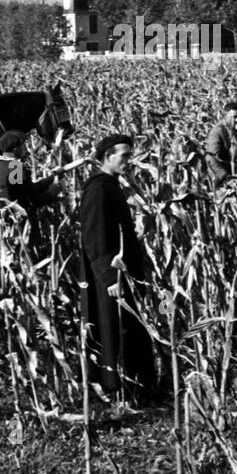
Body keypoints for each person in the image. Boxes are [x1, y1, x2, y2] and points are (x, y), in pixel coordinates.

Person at [80, 133, 156, 404]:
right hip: (111, 275)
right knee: (118, 329)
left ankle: (138, 388)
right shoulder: (99, 189)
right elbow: (96, 237)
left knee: (130, 329)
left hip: (120, 270)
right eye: (124, 156)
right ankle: (124, 389)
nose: (130, 161)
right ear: (106, 157)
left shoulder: (109, 185)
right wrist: (111, 275)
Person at [0, 130, 61, 230]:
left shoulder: (0, 166)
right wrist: (52, 193)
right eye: (23, 146)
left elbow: (25, 191)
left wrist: (52, 177)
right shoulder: (15, 167)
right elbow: (33, 201)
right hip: (21, 225)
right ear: (15, 149)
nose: (25, 149)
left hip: (8, 225)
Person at [205, 102, 237, 187]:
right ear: (226, 115)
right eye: (235, 117)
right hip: (221, 179)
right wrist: (225, 177)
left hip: (235, 175)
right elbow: (211, 158)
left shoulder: (235, 130)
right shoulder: (217, 132)